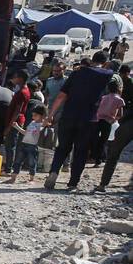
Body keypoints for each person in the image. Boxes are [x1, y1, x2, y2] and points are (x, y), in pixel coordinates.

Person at [45, 51, 116, 191]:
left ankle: (54, 171)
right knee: (81, 151)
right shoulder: (106, 74)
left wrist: (50, 115)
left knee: (62, 147)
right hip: (88, 119)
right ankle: (72, 183)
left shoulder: (76, 73)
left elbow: (61, 96)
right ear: (105, 62)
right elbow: (111, 70)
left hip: (68, 116)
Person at [0, 70, 33, 172]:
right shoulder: (25, 90)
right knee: (13, 145)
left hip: (15, 122)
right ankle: (10, 167)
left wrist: (9, 127)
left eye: (15, 77)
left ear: (20, 78)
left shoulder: (22, 93)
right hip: (18, 120)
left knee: (10, 145)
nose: (13, 79)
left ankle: (8, 168)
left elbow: (17, 111)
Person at [5, 106, 46, 184]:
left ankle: (31, 179)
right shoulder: (32, 122)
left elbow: (40, 129)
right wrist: (17, 127)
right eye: (33, 115)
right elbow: (25, 132)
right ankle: (13, 178)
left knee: (32, 162)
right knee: (18, 161)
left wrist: (45, 121)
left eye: (35, 115)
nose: (33, 117)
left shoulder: (41, 125)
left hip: (33, 146)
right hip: (24, 144)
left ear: (41, 116)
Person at [93, 78, 125, 166]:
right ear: (118, 88)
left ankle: (97, 158)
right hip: (108, 121)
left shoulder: (103, 97)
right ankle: (101, 159)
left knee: (97, 139)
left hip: (98, 119)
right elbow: (120, 114)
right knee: (104, 140)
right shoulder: (119, 100)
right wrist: (114, 120)